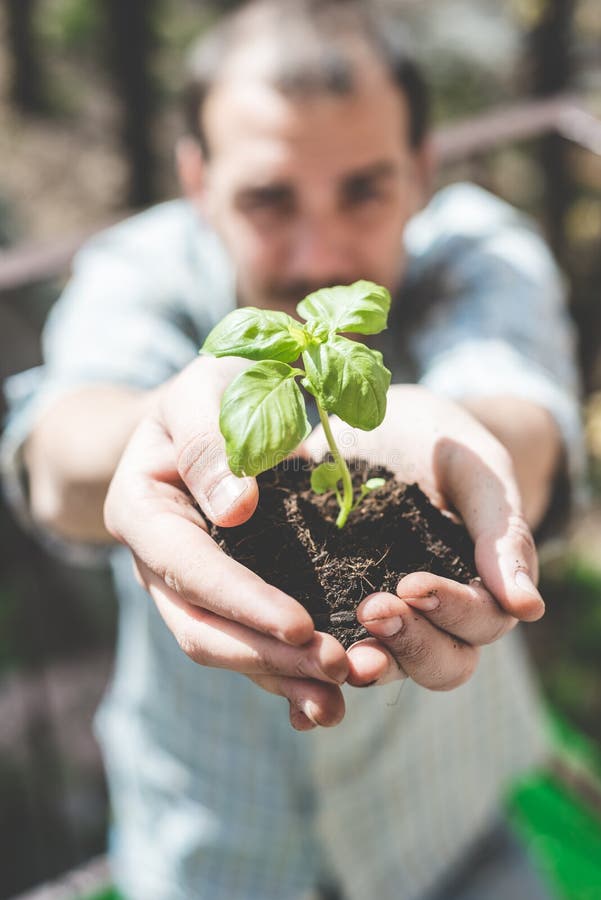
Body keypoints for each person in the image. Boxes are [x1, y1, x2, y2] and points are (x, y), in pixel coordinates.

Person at [1, 1, 583, 898]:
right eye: (268, 198)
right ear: (197, 180)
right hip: (211, 851)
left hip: (452, 839)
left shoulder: (477, 251)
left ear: (423, 168)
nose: (320, 257)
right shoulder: (139, 270)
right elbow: (61, 452)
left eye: (362, 189)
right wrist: (158, 433)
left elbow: (521, 418)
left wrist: (474, 451)